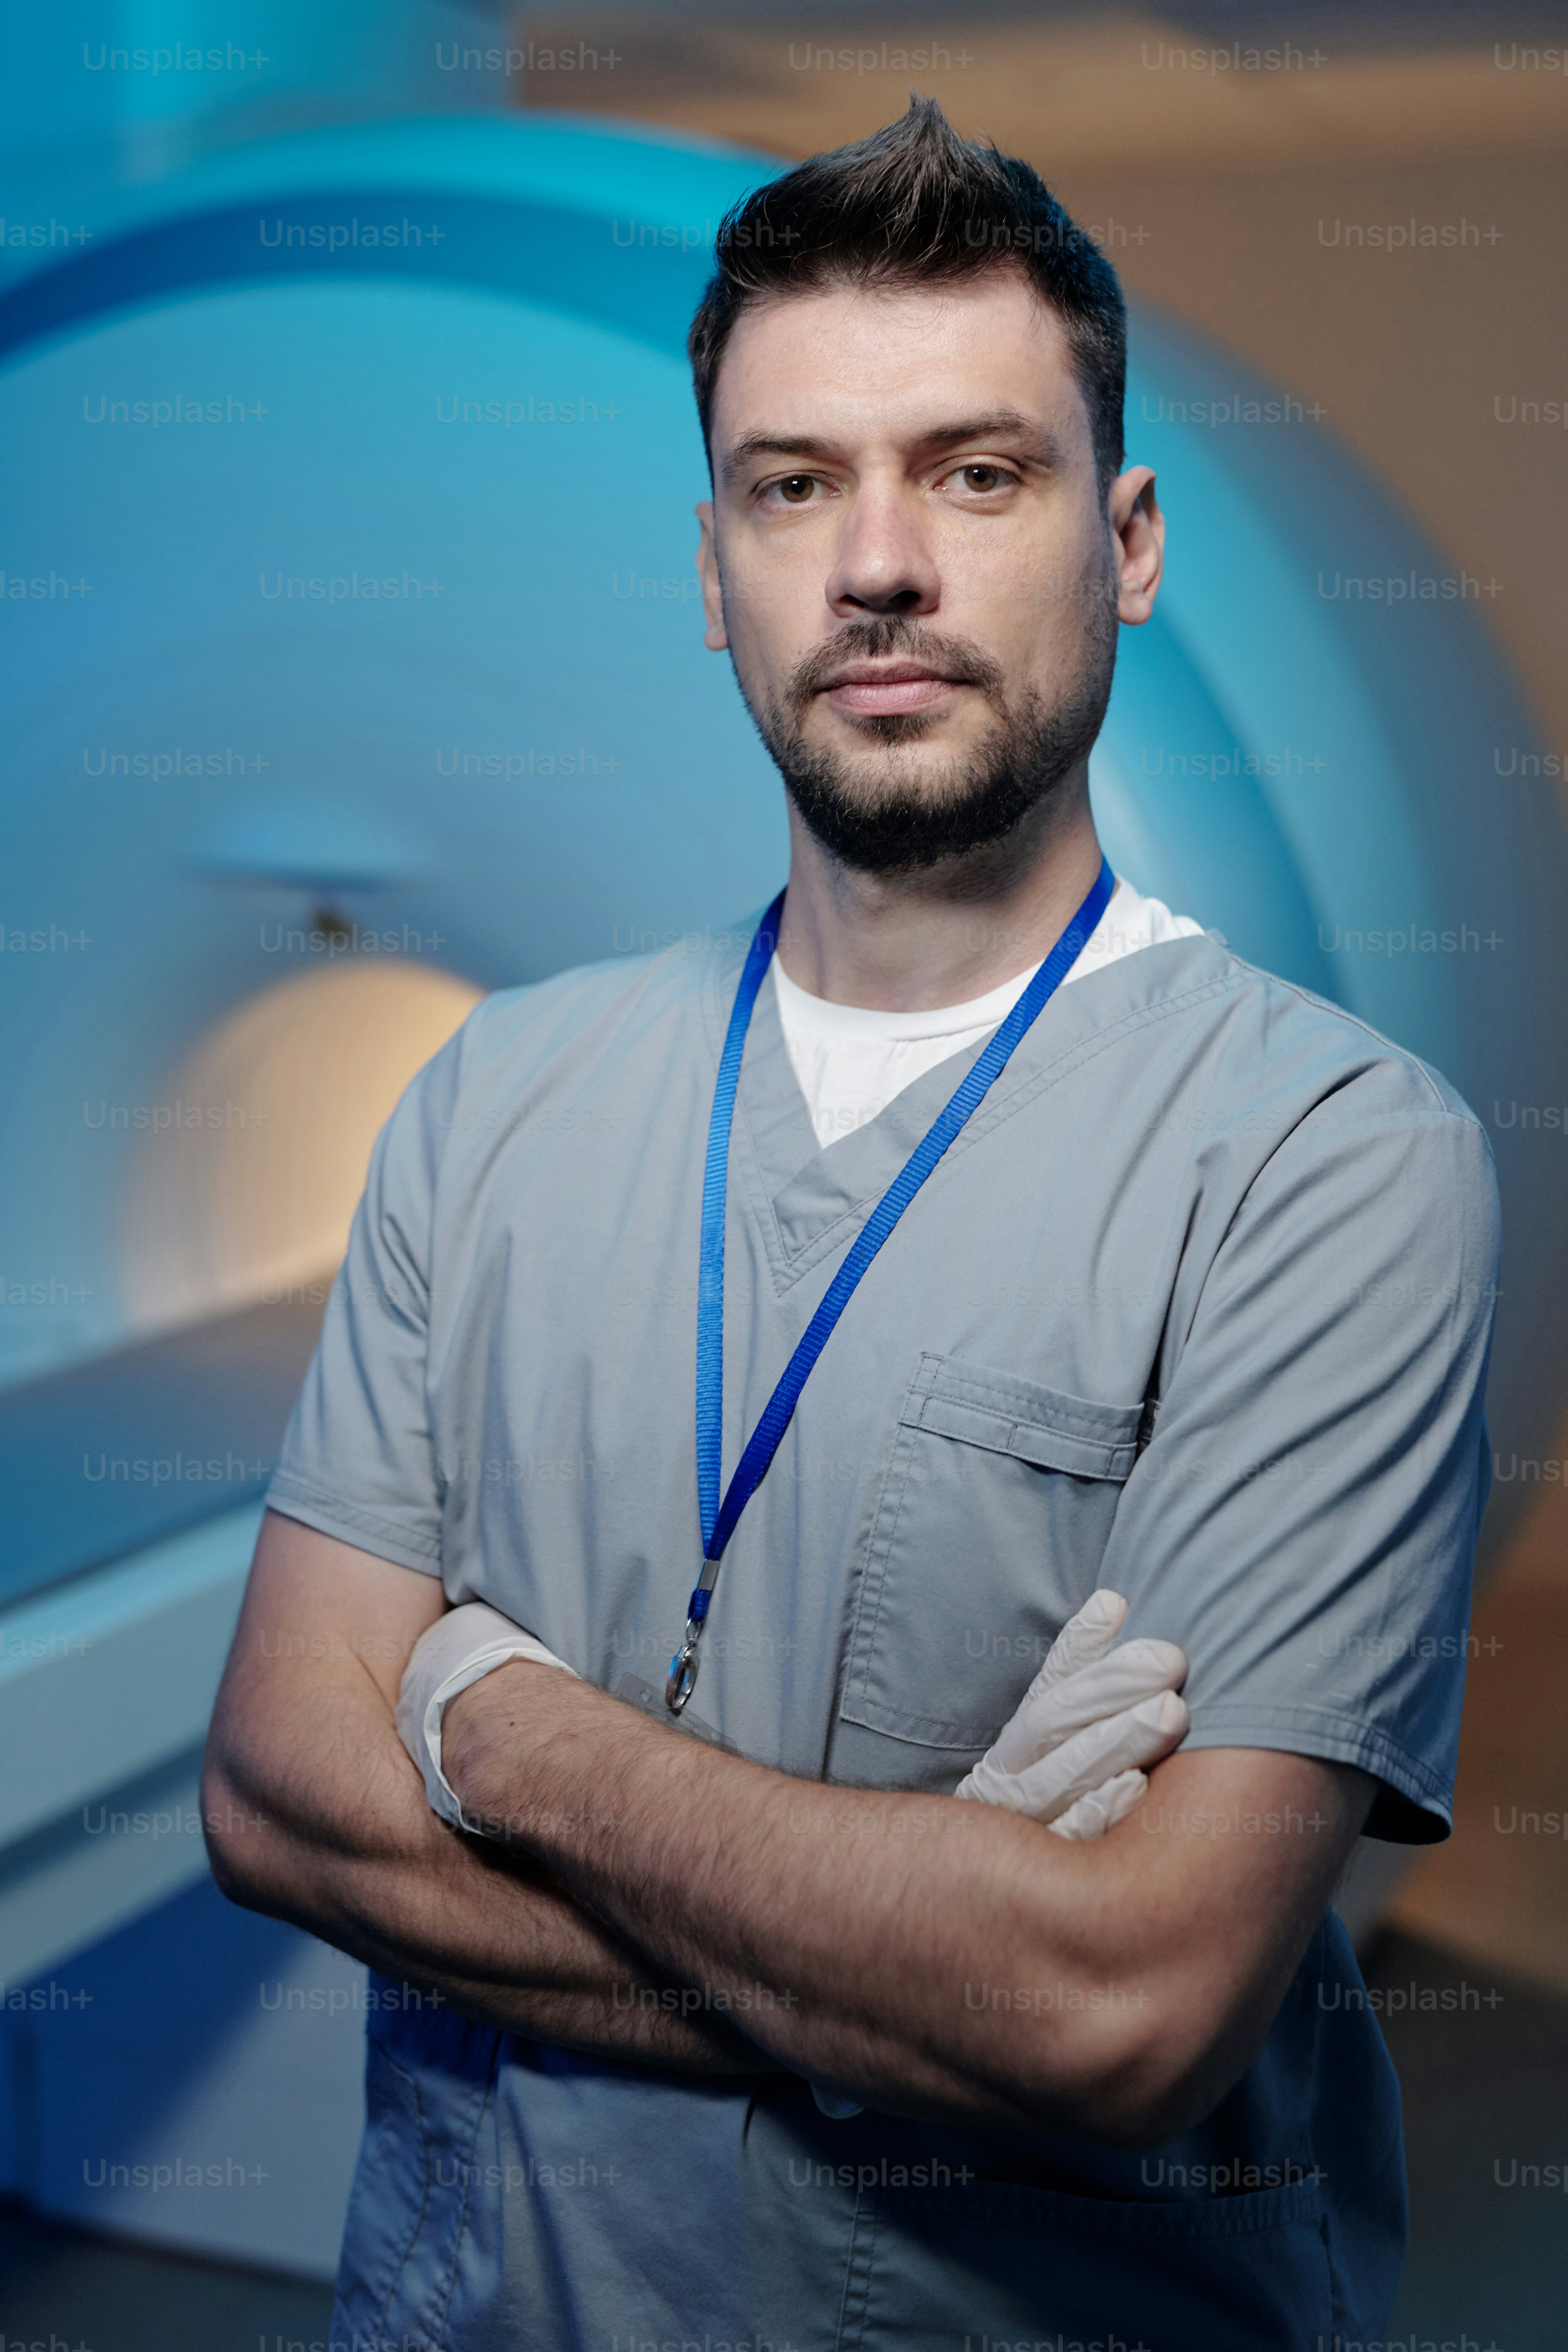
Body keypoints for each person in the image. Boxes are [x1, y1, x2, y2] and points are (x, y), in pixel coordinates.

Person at [203, 98, 1499, 2352]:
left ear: (1128, 545)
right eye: (795, 485)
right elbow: (279, 1805)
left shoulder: (1328, 1160)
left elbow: (1116, 2014)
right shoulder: (494, 1101)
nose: (876, 564)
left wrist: (500, 1724)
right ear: (714, 574)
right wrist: (925, 1937)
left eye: (974, 475)